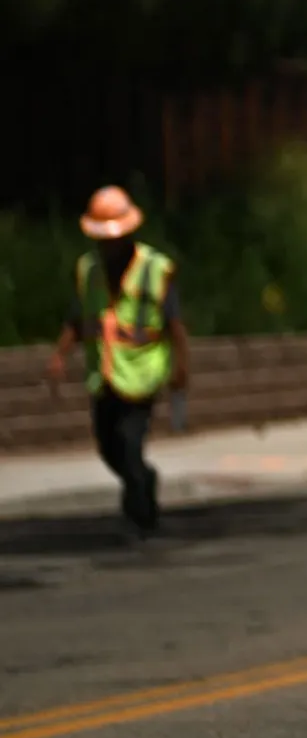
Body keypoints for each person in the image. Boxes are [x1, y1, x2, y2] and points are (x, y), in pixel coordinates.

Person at [44, 186, 189, 536]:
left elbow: (175, 325)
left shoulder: (155, 268)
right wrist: (59, 356)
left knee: (129, 441)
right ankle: (142, 479)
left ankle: (140, 513)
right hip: (104, 374)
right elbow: (78, 320)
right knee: (108, 446)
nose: (109, 245)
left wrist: (180, 367)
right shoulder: (88, 269)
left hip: (141, 374)